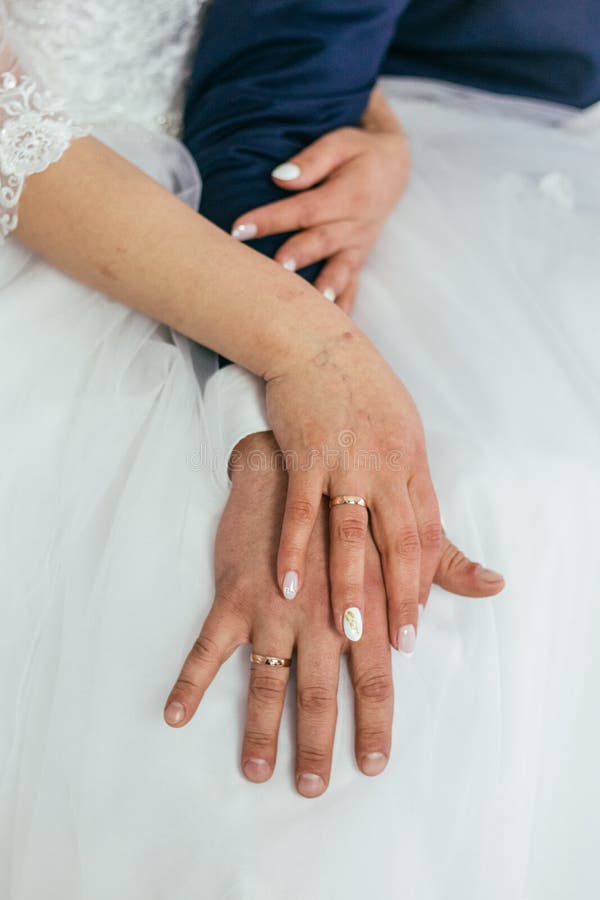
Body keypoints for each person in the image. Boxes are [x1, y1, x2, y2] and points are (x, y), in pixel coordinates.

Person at [0, 4, 598, 900]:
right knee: (215, 629)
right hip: (59, 219)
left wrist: (372, 123)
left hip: (270, 163)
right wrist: (289, 367)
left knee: (516, 504)